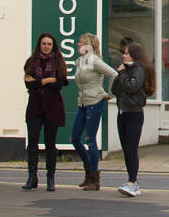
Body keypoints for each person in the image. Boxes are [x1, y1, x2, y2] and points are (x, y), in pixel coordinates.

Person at [72, 33, 119, 191]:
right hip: (82, 103)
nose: (78, 45)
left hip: (95, 102)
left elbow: (114, 74)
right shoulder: (79, 62)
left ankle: (94, 178)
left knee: (90, 138)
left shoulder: (95, 61)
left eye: (81, 42)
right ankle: (88, 168)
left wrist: (110, 95)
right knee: (75, 137)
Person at [23, 32, 68, 191]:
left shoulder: (58, 61)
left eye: (49, 44)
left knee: (50, 143)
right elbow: (29, 85)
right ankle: (32, 176)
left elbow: (60, 84)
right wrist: (48, 80)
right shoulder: (31, 61)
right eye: (44, 44)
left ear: (53, 45)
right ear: (39, 45)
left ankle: (50, 177)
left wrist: (38, 82)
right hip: (35, 106)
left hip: (53, 107)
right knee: (33, 141)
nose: (46, 46)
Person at [113, 41, 155, 197]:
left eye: (126, 53)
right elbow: (115, 90)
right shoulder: (127, 70)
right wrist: (120, 75)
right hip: (122, 113)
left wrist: (123, 74)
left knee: (131, 148)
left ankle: (133, 182)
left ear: (134, 55)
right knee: (126, 150)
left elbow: (132, 87)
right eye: (123, 53)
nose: (123, 56)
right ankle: (131, 181)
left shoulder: (138, 70)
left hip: (134, 114)